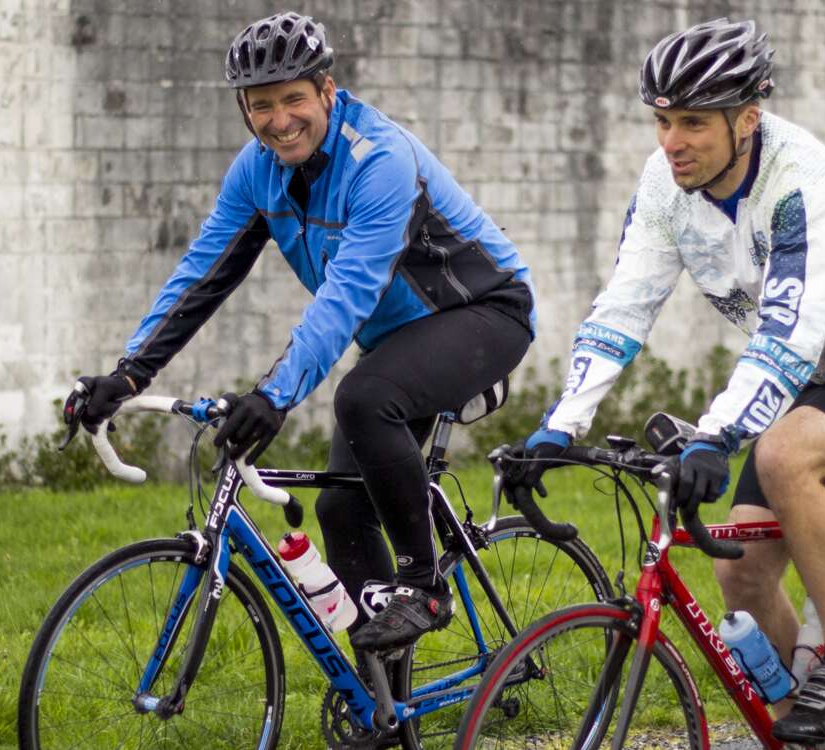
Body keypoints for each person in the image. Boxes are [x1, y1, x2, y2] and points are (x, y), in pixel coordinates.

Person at [503, 17, 825, 744]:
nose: (671, 141)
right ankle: (807, 732)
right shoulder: (666, 184)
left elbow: (787, 335)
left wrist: (718, 435)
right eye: (662, 120)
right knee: (740, 572)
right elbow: (625, 306)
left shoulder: (803, 182)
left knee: (782, 457)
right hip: (816, 378)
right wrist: (564, 423)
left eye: (693, 122)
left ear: (747, 118)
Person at [64, 11, 537, 654]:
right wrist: (128, 373)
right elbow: (203, 274)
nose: (281, 119)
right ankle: (383, 699)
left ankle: (424, 585)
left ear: (327, 92)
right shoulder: (256, 171)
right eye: (263, 105)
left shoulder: (381, 161)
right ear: (244, 110)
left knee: (364, 399)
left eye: (294, 98)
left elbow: (345, 297)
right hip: (397, 338)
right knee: (341, 510)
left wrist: (275, 396)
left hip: (485, 311)